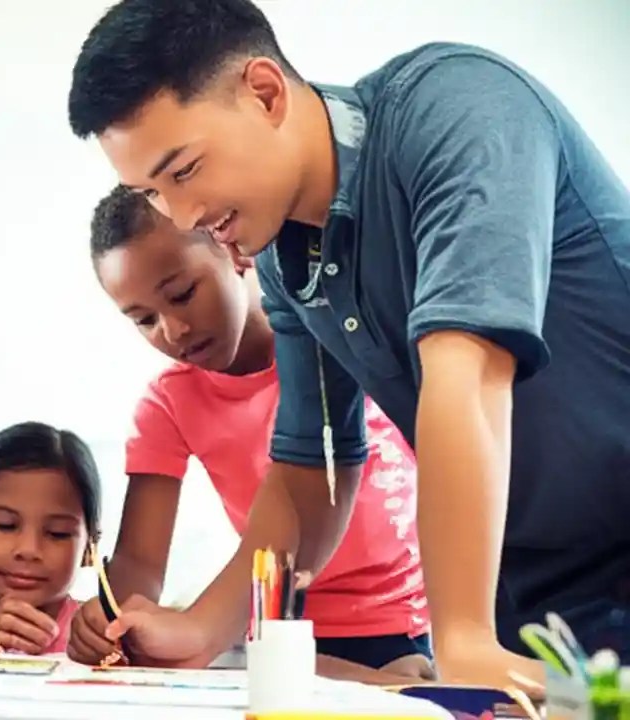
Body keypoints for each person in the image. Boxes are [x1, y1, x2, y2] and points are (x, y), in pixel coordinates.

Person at [66, 0, 630, 690]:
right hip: (541, 599)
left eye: (183, 171)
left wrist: (461, 638)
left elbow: (470, 377)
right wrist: (198, 632)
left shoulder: (457, 110)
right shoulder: (283, 257)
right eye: (151, 192)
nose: (183, 215)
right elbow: (310, 475)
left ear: (265, 92)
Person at [68, 186, 431, 676]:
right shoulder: (169, 402)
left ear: (234, 251)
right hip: (271, 625)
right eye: (144, 320)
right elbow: (139, 562)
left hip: (397, 628)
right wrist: (111, 618)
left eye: (182, 295)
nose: (172, 330)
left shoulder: (339, 341)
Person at [0, 422, 102, 656]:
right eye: (5, 526)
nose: (28, 549)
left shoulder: (96, 641)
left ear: (89, 548)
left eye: (58, 533)